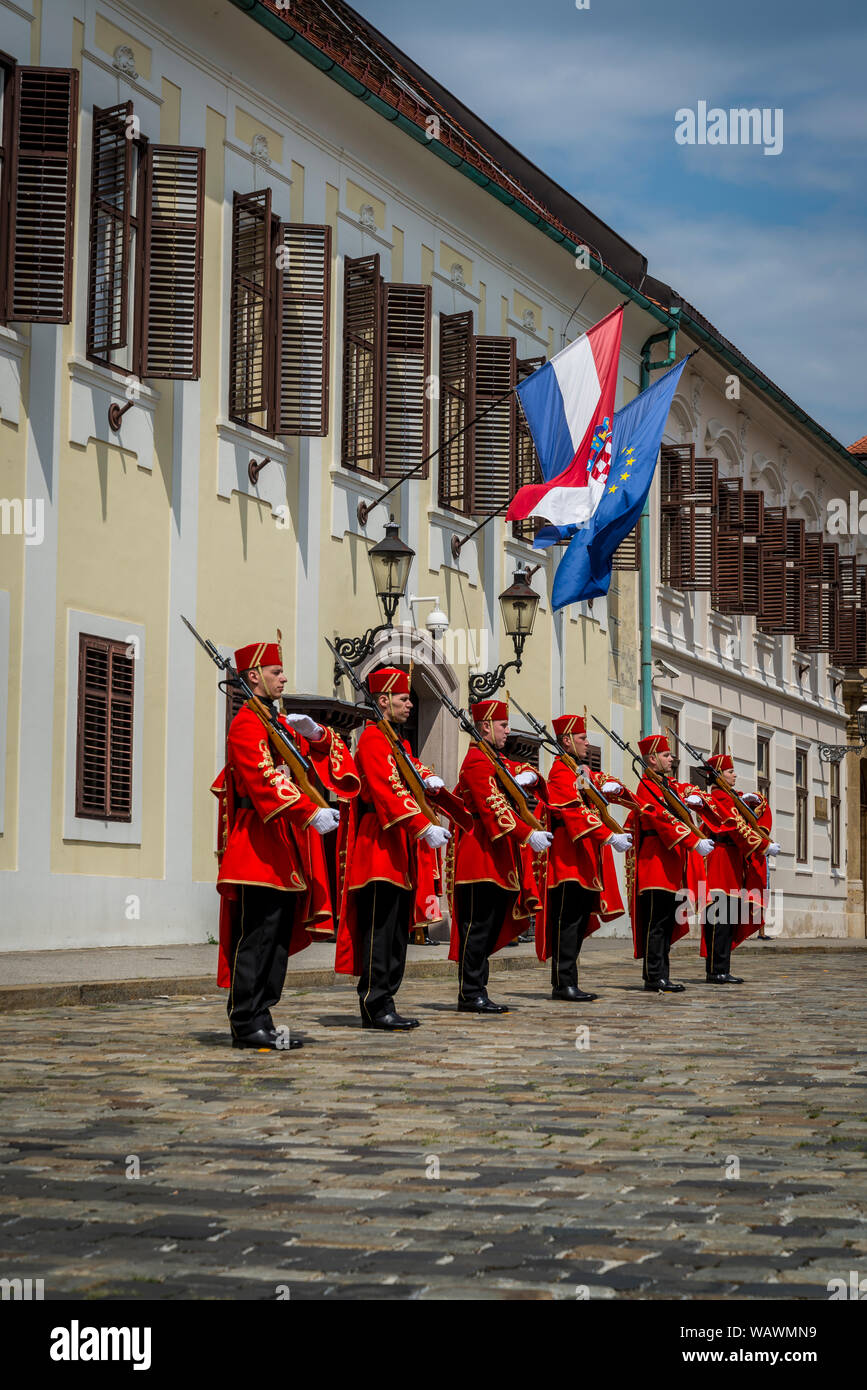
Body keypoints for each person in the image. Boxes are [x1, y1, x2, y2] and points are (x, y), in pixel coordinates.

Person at [211, 639, 359, 1050]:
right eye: (276, 672)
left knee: (275, 938)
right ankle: (245, 1020)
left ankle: (263, 1013)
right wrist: (308, 813)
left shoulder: (273, 722)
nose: (284, 678)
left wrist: (316, 734)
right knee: (256, 937)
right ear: (254, 676)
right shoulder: (247, 723)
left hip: (280, 846)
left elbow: (313, 761)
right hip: (256, 847)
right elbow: (264, 779)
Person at [335, 667, 468, 1030]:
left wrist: (429, 779)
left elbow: (410, 775)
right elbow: (387, 792)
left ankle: (386, 998)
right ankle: (375, 1002)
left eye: (411, 698)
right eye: (403, 698)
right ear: (383, 701)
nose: (410, 704)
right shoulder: (374, 740)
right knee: (381, 930)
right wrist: (423, 825)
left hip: (398, 850)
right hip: (377, 850)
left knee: (396, 932)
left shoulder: (398, 743)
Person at [448, 697, 552, 1013]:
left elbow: (512, 773)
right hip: (479, 856)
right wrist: (527, 833)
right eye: (503, 725)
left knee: (489, 927)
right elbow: (494, 806)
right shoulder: (476, 762)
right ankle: (470, 992)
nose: (508, 731)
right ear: (485, 726)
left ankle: (477, 989)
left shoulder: (493, 760)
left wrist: (530, 775)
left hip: (497, 856)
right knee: (477, 928)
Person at [537, 714, 632, 1001]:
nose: (587, 744)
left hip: (583, 861)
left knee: (576, 923)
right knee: (567, 924)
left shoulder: (577, 771)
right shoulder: (560, 773)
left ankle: (569, 981)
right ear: (566, 741)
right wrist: (608, 835)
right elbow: (576, 812)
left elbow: (596, 786)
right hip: (567, 862)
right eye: (582, 738)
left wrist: (613, 786)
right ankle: (562, 983)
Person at [625, 734, 714, 993]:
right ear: (652, 759)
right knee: (657, 924)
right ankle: (654, 976)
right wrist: (691, 841)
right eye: (666, 755)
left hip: (671, 863)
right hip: (655, 864)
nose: (671, 759)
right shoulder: (646, 787)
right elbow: (661, 820)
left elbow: (683, 791)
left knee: (665, 924)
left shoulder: (665, 784)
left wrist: (695, 796)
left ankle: (661, 974)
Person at [690, 753, 781, 981]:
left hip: (731, 859)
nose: (735, 775)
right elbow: (737, 827)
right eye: (730, 771)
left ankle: (721, 968)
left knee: (727, 918)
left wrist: (753, 800)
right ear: (719, 776)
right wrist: (763, 846)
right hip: (721, 860)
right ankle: (717, 970)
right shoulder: (720, 797)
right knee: (719, 917)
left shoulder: (731, 797)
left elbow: (752, 812)